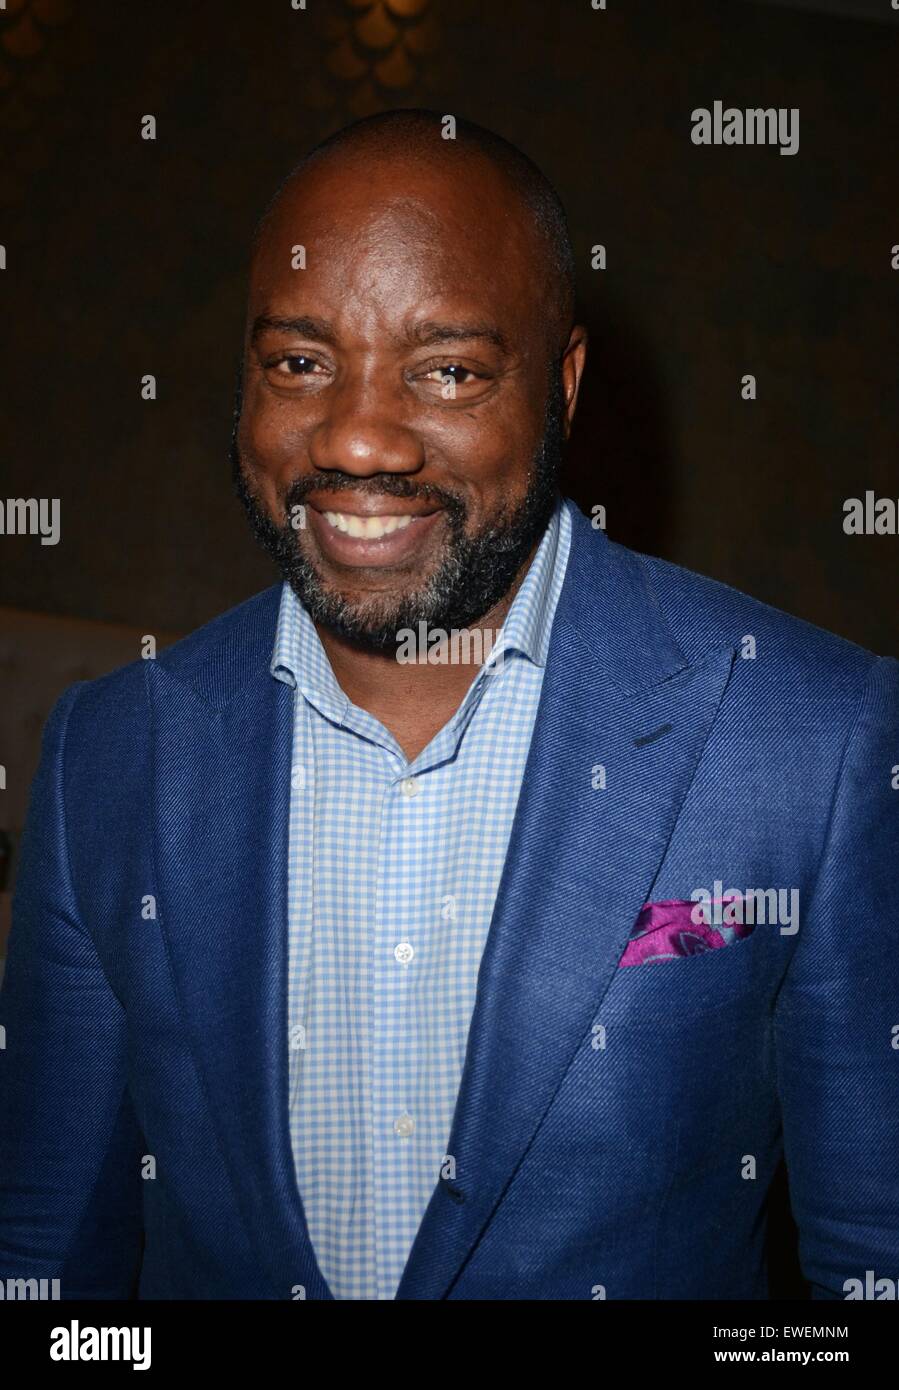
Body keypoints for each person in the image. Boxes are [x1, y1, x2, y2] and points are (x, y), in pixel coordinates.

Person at [0, 109, 896, 1301]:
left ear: (563, 387)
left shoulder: (810, 738)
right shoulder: (108, 754)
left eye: (448, 371)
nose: (360, 438)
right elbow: (48, 1270)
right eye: (300, 362)